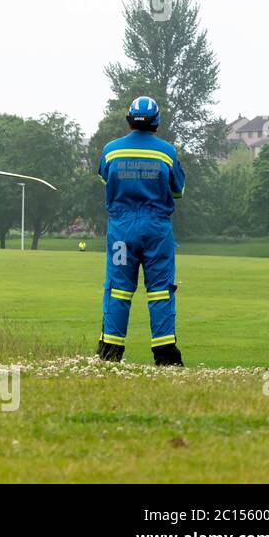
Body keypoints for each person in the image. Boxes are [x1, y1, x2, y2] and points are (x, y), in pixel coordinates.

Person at [96, 96, 186, 366]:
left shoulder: (111, 150)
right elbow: (178, 190)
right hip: (156, 231)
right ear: (156, 122)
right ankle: (165, 355)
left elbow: (104, 177)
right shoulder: (166, 152)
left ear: (129, 119)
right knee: (159, 289)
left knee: (119, 289)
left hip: (121, 231)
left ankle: (110, 352)